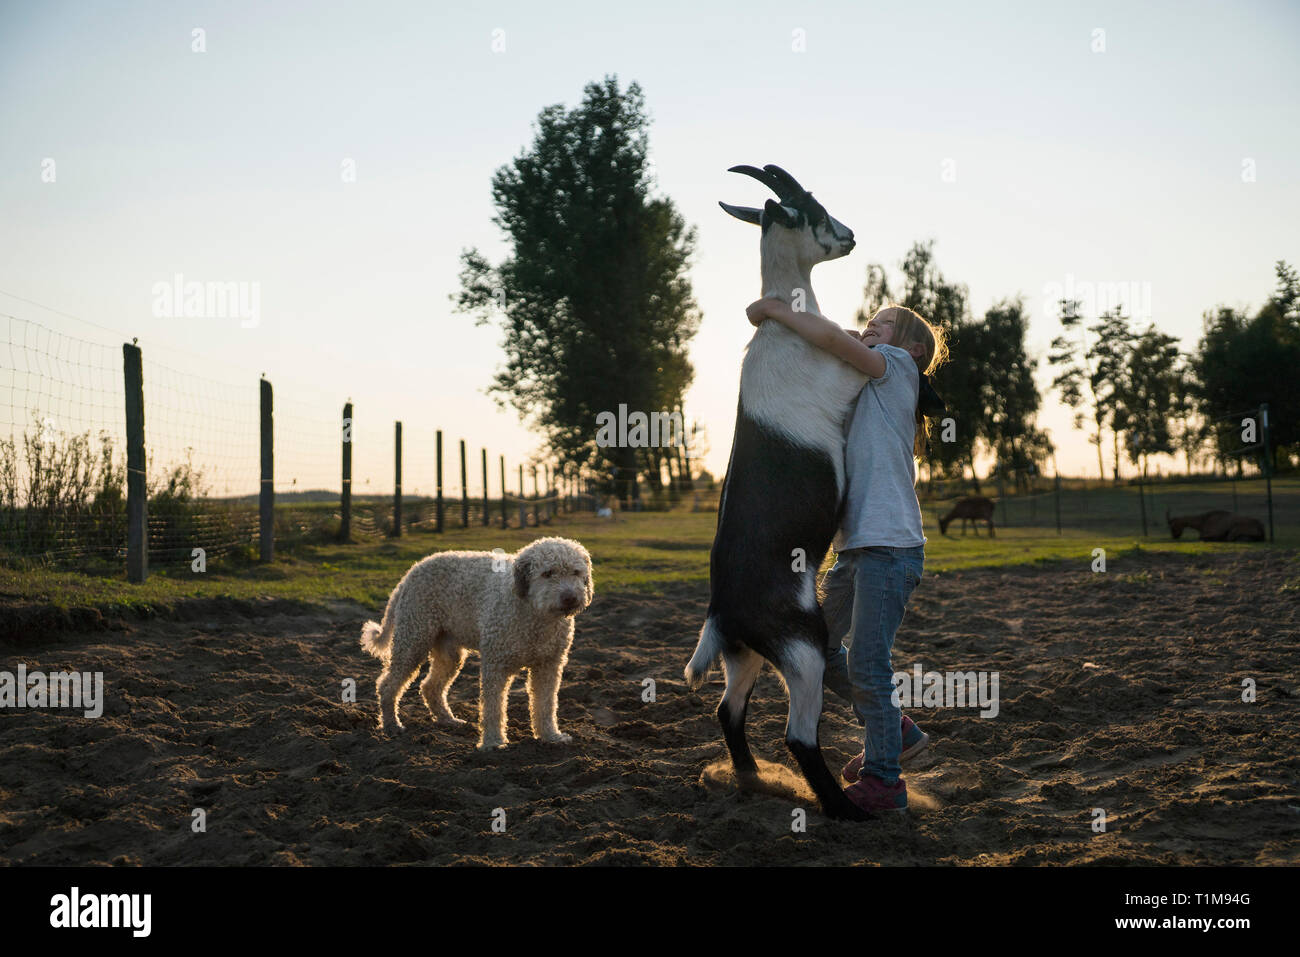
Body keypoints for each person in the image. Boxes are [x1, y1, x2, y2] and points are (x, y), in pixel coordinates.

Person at [744, 298, 947, 814]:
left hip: (891, 549)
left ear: (912, 348)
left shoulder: (899, 369)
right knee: (818, 647)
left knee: (872, 667)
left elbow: (832, 339)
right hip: (854, 553)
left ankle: (885, 782)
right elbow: (827, 361)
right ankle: (896, 732)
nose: (868, 327)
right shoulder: (864, 389)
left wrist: (778, 310)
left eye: (881, 324)